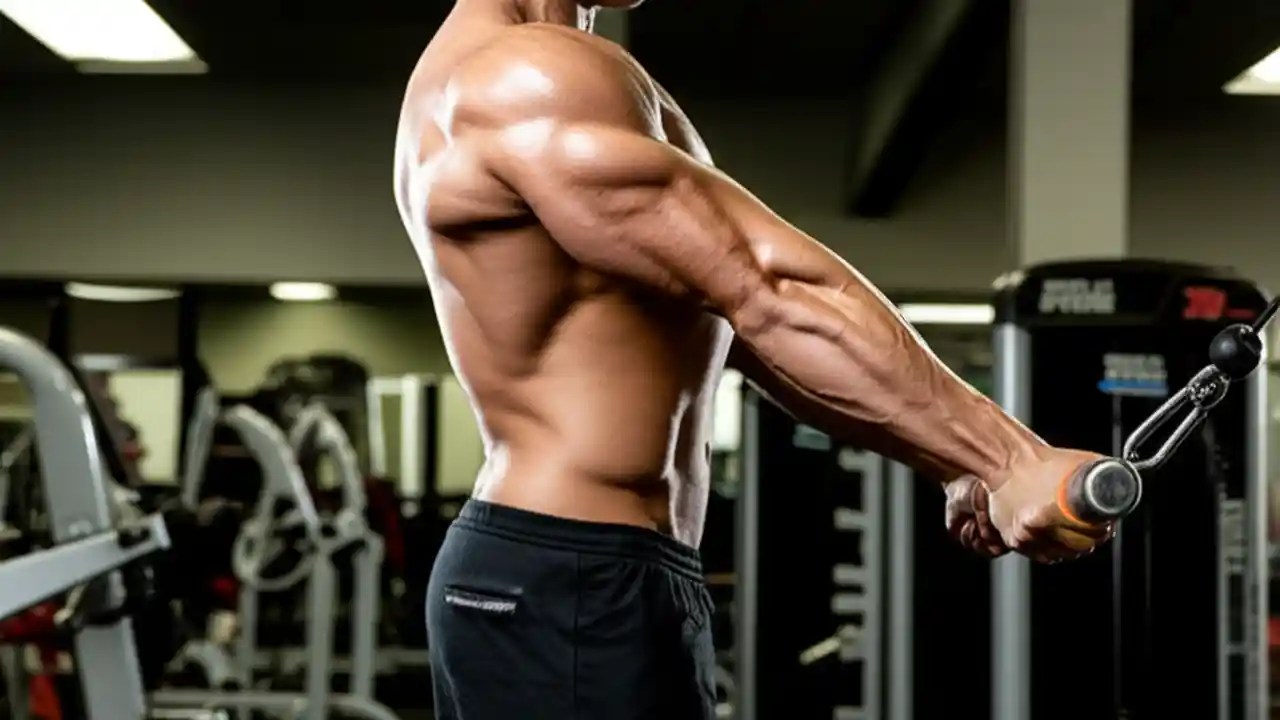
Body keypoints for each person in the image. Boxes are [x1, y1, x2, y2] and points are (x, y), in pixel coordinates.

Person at [393, 1, 1114, 717]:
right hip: (570, 571)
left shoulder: (507, 73)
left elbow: (738, 331)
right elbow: (768, 286)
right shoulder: (526, 75)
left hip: (591, 569)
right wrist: (1008, 458)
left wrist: (952, 460)